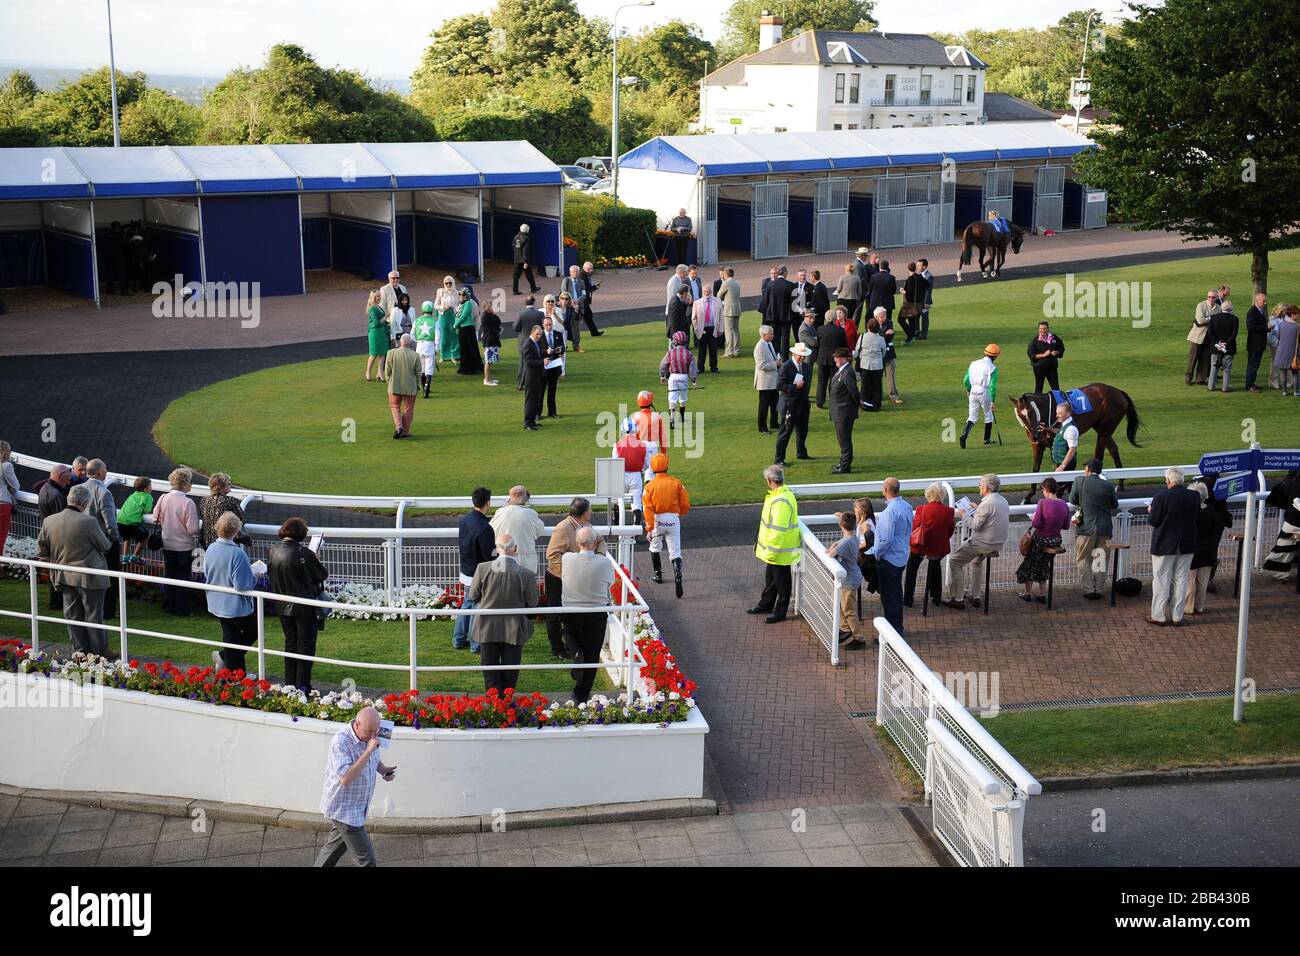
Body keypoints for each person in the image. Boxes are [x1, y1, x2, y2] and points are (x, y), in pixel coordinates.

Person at [314, 705, 396, 868]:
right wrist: (368, 751)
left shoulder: (369, 735)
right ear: (356, 724)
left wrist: (383, 770)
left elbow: (373, 759)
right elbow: (345, 778)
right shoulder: (341, 742)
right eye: (369, 732)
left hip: (357, 807)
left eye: (376, 731)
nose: (374, 736)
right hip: (344, 809)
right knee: (366, 861)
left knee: (333, 850)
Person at [37, 483, 112, 656]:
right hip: (89, 575)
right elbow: (105, 545)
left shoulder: (49, 521)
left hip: (63, 575)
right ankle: (99, 652)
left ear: (68, 499)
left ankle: (80, 651)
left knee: (72, 615)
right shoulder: (89, 521)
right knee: (93, 616)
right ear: (85, 504)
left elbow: (42, 550)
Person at [469, 532, 538, 693]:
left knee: (489, 667)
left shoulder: (482, 568)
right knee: (511, 668)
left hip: (487, 627)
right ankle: (506, 701)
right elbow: (533, 603)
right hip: (514, 628)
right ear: (515, 549)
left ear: (497, 549)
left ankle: (494, 702)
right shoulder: (526, 574)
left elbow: (473, 595)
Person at [268, 517, 328, 692]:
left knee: (291, 644)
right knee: (306, 645)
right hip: (304, 606)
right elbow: (321, 575)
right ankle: (303, 685)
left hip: (282, 605)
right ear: (300, 534)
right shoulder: (305, 553)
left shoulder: (272, 550)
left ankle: (290, 684)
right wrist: (316, 558)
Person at [545, 497, 608, 656]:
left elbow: (600, 541)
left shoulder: (585, 526)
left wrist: (598, 557)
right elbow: (552, 555)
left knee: (569, 613)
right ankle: (557, 649)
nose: (592, 513)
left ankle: (571, 646)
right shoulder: (563, 528)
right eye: (591, 510)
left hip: (572, 577)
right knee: (555, 613)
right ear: (586, 513)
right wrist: (567, 574)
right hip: (556, 578)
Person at [561, 526, 616, 703]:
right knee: (592, 656)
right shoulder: (605, 562)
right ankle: (581, 696)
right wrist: (599, 546)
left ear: (577, 543)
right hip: (596, 614)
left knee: (569, 633)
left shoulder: (567, 559)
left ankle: (576, 650)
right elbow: (611, 581)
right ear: (594, 543)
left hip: (571, 612)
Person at [943, 474, 1009, 610]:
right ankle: (975, 595)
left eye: (980, 484)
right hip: (997, 542)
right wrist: (977, 508)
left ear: (985, 487)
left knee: (955, 561)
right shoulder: (1003, 500)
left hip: (983, 543)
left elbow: (974, 525)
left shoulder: (987, 504)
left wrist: (963, 514)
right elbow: (989, 516)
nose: (979, 486)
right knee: (976, 562)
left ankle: (958, 598)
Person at [203, 512, 257, 672]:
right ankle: (228, 662)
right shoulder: (237, 553)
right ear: (236, 531)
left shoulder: (211, 548)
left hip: (216, 601)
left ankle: (233, 670)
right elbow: (242, 585)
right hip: (235, 606)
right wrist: (255, 577)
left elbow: (208, 572)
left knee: (231, 636)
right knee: (252, 632)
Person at [1148, 466, 1200, 626]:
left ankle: (1158, 616)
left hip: (1164, 544)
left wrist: (1151, 510)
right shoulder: (1194, 496)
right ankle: (1177, 616)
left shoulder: (1161, 497)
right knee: (1181, 580)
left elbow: (1154, 520)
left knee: (1161, 580)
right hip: (1186, 543)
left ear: (1169, 481)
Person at [748, 464, 800, 623]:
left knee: (782, 582)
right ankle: (766, 604)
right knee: (771, 579)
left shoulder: (780, 500)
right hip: (777, 549)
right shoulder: (781, 495)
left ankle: (780, 611)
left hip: (779, 550)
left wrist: (771, 550)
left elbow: (778, 529)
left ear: (770, 481)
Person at [1068, 458, 1119, 599]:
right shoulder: (1108, 485)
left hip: (1086, 528)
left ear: (1088, 469)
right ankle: (1098, 589)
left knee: (1083, 559)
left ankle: (1088, 589)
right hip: (1104, 528)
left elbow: (1072, 500)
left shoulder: (1079, 481)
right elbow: (1114, 504)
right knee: (1100, 559)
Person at [152, 468, 200, 616]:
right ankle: (182, 609)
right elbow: (193, 529)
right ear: (184, 484)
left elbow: (155, 518)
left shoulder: (163, 498)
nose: (192, 485)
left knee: (170, 575)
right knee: (183, 578)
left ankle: (168, 606)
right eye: (191, 482)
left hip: (167, 543)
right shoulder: (188, 502)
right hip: (184, 546)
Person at [453, 486, 495, 653]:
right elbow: (489, 554)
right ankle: (476, 645)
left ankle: (458, 640)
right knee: (478, 608)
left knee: (466, 605)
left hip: (466, 570)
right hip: (479, 573)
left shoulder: (465, 520)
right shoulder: (485, 527)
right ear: (488, 503)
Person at [1015, 477, 1071, 603]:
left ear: (1045, 489)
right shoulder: (1063, 504)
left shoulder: (1043, 502)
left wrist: (1033, 518)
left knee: (1029, 564)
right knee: (1043, 566)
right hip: (1056, 540)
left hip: (1041, 540)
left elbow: (1036, 523)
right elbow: (1066, 526)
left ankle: (1027, 592)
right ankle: (1042, 594)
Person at [643, 453, 690, 598]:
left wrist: (649, 528)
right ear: (667, 466)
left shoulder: (650, 486)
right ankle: (677, 575)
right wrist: (678, 514)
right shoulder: (676, 482)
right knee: (675, 551)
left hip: (658, 520)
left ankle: (658, 574)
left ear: (652, 467)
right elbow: (685, 503)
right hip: (673, 519)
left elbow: (648, 509)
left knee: (655, 547)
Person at [80, 459, 122, 620]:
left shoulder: (79, 488)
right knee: (110, 577)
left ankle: (90, 609)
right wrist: (114, 539)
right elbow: (110, 522)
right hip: (104, 542)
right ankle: (107, 611)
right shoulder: (104, 492)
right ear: (98, 472)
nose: (106, 471)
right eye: (105, 469)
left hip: (84, 542)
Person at [870, 477, 913, 632]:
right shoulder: (907, 506)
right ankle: (897, 627)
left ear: (886, 490)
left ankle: (893, 631)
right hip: (901, 557)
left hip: (889, 559)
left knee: (889, 597)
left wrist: (876, 553)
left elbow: (885, 540)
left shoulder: (889, 512)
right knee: (896, 595)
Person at [904, 483, 955, 608]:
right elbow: (950, 530)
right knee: (935, 566)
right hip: (937, 546)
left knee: (911, 568)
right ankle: (936, 596)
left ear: (928, 495)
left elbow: (914, 527)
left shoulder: (922, 509)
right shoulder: (949, 511)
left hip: (921, 545)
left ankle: (908, 598)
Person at [825, 511, 866, 649]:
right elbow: (841, 542)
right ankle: (845, 629)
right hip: (850, 578)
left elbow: (831, 555)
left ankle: (859, 638)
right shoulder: (852, 538)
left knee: (848, 609)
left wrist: (832, 547)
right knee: (840, 604)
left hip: (849, 581)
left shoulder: (845, 543)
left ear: (841, 525)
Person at [1186, 481, 1225, 615]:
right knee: (1203, 582)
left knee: (1190, 582)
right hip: (1208, 550)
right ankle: (1199, 606)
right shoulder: (1211, 510)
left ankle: (1188, 606)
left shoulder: (1190, 513)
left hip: (1193, 550)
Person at [489, 485, 545, 577]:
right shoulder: (531, 514)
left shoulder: (500, 512)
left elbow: (491, 530)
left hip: (502, 564)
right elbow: (539, 530)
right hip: (525, 564)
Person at [773, 342, 814, 466]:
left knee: (802, 430)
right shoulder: (786, 367)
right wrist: (795, 386)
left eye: (804, 355)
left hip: (802, 404)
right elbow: (779, 386)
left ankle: (801, 452)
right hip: (789, 405)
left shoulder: (805, 366)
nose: (802, 357)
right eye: (800, 355)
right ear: (793, 354)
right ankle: (779, 459)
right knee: (785, 433)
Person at [827, 347, 863, 475]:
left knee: (844, 440)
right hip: (839, 411)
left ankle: (845, 466)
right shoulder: (842, 371)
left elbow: (854, 392)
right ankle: (843, 463)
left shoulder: (847, 372)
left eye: (837, 357)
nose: (835, 359)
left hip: (844, 412)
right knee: (842, 439)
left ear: (843, 358)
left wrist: (853, 405)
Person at [960, 344, 1000, 448]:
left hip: (973, 390)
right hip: (984, 391)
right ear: (995, 356)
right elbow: (992, 387)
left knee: (972, 416)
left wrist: (969, 389)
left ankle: (964, 435)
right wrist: (993, 402)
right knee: (988, 416)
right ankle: (987, 439)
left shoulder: (973, 363)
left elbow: (965, 380)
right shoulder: (993, 368)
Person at [1262, 470, 1300, 581]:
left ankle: (1280, 573)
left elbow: (1283, 485)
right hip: (1292, 524)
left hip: (1291, 525)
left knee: (1282, 550)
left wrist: (1290, 474)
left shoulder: (1291, 485)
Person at [383, 334, 421, 439]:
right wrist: (418, 385)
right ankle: (405, 431)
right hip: (410, 387)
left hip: (394, 386)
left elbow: (387, 370)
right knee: (408, 408)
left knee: (395, 406)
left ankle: (399, 427)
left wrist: (388, 381)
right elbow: (418, 372)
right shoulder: (415, 355)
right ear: (410, 343)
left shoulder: (391, 353)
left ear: (400, 342)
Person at [660, 331, 697, 429]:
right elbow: (692, 369)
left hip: (673, 377)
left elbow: (662, 365)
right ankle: (682, 417)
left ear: (675, 342)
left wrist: (662, 376)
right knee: (683, 397)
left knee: (672, 398)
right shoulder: (689, 354)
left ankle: (672, 420)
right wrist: (693, 381)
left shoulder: (670, 353)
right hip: (683, 377)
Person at [199, 472, 246, 549]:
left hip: (208, 545)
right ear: (220, 487)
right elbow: (242, 519)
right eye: (228, 484)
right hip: (225, 544)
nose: (230, 485)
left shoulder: (204, 500)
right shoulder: (230, 501)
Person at [615, 418, 648, 527]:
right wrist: (640, 469)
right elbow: (646, 464)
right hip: (636, 476)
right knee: (636, 503)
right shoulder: (643, 446)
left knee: (619, 500)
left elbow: (614, 463)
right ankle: (636, 527)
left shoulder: (617, 445)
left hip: (621, 475)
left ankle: (617, 525)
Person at [116, 475, 154, 561]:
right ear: (145, 489)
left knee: (127, 537)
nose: (151, 488)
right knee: (145, 537)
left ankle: (125, 556)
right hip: (131, 523)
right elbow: (147, 510)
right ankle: (135, 557)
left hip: (119, 521)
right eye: (150, 486)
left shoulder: (132, 495)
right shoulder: (148, 496)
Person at [815, 312, 848, 409]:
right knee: (834, 381)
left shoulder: (820, 330)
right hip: (835, 359)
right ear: (835, 319)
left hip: (822, 358)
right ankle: (834, 400)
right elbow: (844, 345)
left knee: (821, 381)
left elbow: (817, 344)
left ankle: (819, 401)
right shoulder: (840, 331)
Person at [753, 325, 781, 434]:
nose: (773, 335)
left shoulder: (768, 344)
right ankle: (762, 427)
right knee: (764, 406)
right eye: (771, 334)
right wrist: (776, 363)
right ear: (764, 335)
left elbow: (772, 358)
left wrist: (777, 360)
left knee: (775, 404)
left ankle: (774, 423)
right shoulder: (759, 347)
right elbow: (762, 365)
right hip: (765, 382)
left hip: (773, 380)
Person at [1185, 289, 1217, 385]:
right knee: (1193, 358)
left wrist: (1208, 319)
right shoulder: (1201, 305)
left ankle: (1200, 378)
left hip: (1209, 336)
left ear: (1216, 298)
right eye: (1209, 297)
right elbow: (1200, 320)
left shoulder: (1218, 308)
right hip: (1197, 336)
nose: (1211, 299)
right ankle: (1188, 377)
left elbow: (1215, 321)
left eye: (1213, 297)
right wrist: (1213, 319)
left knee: (1205, 357)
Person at [1206, 299, 1238, 392]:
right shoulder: (1234, 319)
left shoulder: (1214, 318)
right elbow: (1233, 334)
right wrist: (1225, 344)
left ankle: (1211, 386)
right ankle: (1225, 387)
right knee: (1227, 368)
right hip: (1229, 347)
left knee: (1214, 367)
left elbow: (1210, 333)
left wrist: (1218, 344)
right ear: (1231, 309)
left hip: (1216, 347)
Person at [513, 295, 544, 389]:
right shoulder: (540, 314)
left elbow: (515, 328)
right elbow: (542, 327)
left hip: (523, 341)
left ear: (525, 303)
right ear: (534, 302)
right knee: (535, 361)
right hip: (537, 341)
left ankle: (520, 383)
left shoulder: (521, 314)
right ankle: (534, 381)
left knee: (522, 362)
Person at [855, 317, 885, 412]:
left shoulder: (863, 337)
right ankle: (876, 405)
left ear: (868, 327)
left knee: (865, 385)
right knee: (877, 385)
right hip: (877, 365)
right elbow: (883, 351)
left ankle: (865, 404)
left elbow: (857, 350)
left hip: (865, 364)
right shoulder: (881, 339)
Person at [412, 300, 439, 399]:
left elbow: (412, 334)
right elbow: (438, 336)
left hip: (420, 345)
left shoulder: (417, 320)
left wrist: (418, 340)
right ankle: (427, 389)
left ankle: (424, 388)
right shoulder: (435, 321)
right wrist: (437, 347)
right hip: (430, 345)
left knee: (422, 368)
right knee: (429, 367)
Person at [691, 283, 721, 373]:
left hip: (713, 329)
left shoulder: (717, 301)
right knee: (702, 350)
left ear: (711, 292)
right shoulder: (697, 303)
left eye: (708, 291)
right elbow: (694, 318)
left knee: (713, 349)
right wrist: (697, 328)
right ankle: (700, 368)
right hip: (702, 329)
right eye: (705, 291)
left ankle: (714, 368)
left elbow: (721, 316)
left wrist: (721, 329)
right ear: (702, 292)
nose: (707, 293)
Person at [632, 391, 668, 466]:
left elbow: (632, 437)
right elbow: (663, 437)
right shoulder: (657, 416)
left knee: (640, 473)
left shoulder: (634, 416)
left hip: (639, 448)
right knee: (652, 473)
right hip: (653, 448)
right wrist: (664, 452)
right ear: (650, 402)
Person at [1028, 321, 1065, 393]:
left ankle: (1059, 403)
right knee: (1039, 388)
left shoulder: (1054, 338)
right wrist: (1044, 355)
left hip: (1052, 367)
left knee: (1056, 388)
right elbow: (1031, 355)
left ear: (1048, 329)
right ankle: (1037, 404)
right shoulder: (1034, 341)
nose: (1042, 330)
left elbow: (1061, 348)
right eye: (1041, 329)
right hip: (1039, 368)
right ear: (1038, 329)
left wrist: (1057, 352)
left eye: (1044, 329)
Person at [520, 325, 545, 430]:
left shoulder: (534, 342)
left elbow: (538, 354)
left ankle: (532, 421)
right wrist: (542, 362)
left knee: (535, 400)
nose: (539, 336)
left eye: (540, 334)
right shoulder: (527, 344)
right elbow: (529, 362)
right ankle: (528, 423)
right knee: (530, 401)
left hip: (536, 376)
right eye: (537, 334)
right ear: (532, 333)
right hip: (531, 378)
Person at [540, 316, 566, 418]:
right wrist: (546, 352)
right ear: (543, 325)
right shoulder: (540, 336)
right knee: (541, 392)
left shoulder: (557, 334)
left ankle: (552, 412)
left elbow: (563, 348)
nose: (549, 327)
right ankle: (538, 413)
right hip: (543, 368)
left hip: (554, 367)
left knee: (552, 392)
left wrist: (559, 350)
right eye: (546, 325)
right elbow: (537, 351)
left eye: (550, 324)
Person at [767, 266, 795, 359]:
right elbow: (793, 302)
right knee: (785, 337)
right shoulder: (790, 285)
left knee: (773, 336)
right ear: (785, 273)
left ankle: (774, 355)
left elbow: (767, 300)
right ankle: (784, 356)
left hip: (773, 315)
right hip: (786, 316)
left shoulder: (770, 284)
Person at [1244, 292, 1269, 392]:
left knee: (1255, 365)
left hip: (1258, 343)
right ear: (1257, 301)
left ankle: (1251, 383)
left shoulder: (1259, 311)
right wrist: (1266, 327)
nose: (1265, 303)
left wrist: (1267, 328)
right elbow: (1250, 327)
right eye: (1263, 301)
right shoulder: (1252, 312)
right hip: (1255, 344)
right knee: (1253, 365)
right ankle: (1249, 385)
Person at [1274, 305, 1300, 396]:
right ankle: (1296, 391)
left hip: (1282, 351)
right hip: (1294, 352)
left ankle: (1284, 391)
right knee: (1295, 373)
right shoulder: (1297, 326)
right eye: (1297, 315)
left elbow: (1278, 337)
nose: (1298, 317)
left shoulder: (1281, 324)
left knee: (1283, 372)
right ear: (1292, 314)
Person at [719, 266, 743, 357]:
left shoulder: (726, 283)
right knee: (736, 331)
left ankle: (729, 351)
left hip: (729, 310)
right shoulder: (737, 282)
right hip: (737, 309)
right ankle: (736, 350)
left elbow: (718, 295)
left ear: (725, 274)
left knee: (729, 331)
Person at [364, 289, 387, 383]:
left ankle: (380, 372)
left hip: (382, 332)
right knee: (373, 354)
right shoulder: (372, 309)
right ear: (373, 298)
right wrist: (384, 319)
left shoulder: (378, 306)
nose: (379, 298)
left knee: (382, 353)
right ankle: (368, 372)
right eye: (377, 296)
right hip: (375, 333)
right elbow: (376, 322)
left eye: (380, 296)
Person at [435, 277, 460, 363]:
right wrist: (443, 307)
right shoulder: (440, 292)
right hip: (443, 316)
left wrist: (454, 308)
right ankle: (443, 355)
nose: (448, 285)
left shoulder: (457, 293)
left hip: (453, 315)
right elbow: (436, 305)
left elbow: (459, 305)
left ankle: (453, 355)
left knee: (453, 335)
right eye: (446, 283)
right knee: (444, 336)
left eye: (450, 283)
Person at [1050, 402, 1080, 472]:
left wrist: (1062, 466)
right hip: (1061, 464)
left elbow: (1072, 450)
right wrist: (1048, 429)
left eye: (1060, 413)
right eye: (1057, 413)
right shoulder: (1065, 423)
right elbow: (1061, 432)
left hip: (1066, 466)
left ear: (1067, 414)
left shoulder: (1071, 429)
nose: (1057, 416)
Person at [900, 261, 925, 343]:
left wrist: (903, 291)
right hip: (918, 303)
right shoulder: (920, 277)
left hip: (909, 304)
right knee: (911, 320)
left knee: (901, 319)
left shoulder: (909, 279)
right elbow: (927, 285)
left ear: (908, 269)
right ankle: (910, 337)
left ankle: (910, 334)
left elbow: (908, 293)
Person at [512, 223, 540, 295]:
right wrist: (526, 261)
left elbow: (513, 247)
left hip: (517, 259)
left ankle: (515, 290)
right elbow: (526, 250)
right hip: (524, 260)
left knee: (516, 276)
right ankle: (533, 288)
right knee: (529, 274)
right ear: (527, 230)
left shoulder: (515, 237)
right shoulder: (526, 238)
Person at [478, 301, 501, 387]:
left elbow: (498, 321)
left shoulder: (489, 315)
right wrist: (493, 314)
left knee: (490, 361)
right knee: (488, 361)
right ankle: (486, 379)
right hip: (489, 340)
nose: (491, 308)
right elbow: (496, 321)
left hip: (492, 340)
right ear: (486, 307)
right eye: (489, 306)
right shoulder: (485, 316)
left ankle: (488, 378)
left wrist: (494, 314)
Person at [867, 259, 896, 325]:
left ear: (880, 267)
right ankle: (887, 331)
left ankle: (876, 331)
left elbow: (870, 289)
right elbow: (893, 290)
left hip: (875, 302)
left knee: (875, 319)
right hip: (887, 302)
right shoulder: (892, 278)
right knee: (887, 319)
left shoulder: (873, 277)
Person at [0, 441, 17, 559]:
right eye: (9, 450)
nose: (10, 452)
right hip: (2, 504)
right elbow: (16, 486)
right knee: (1, 536)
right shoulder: (6, 466)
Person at [835, 263, 861, 336]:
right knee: (849, 317)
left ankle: (840, 331)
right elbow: (859, 291)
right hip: (852, 300)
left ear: (846, 270)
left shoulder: (842, 277)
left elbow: (839, 289)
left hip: (842, 299)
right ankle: (848, 332)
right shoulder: (857, 278)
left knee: (839, 316)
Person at [580, 261, 603, 337]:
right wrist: (595, 287)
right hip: (582, 301)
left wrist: (594, 287)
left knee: (588, 315)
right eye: (589, 269)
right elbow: (586, 288)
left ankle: (594, 332)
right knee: (577, 318)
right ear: (584, 268)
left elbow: (588, 287)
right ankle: (594, 332)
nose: (591, 271)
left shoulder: (585, 276)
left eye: (591, 269)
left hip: (585, 300)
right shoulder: (582, 276)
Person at [917, 258, 934, 340]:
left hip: (925, 302)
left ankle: (923, 335)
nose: (918, 267)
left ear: (924, 267)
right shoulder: (920, 275)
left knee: (924, 317)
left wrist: (926, 303)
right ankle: (917, 333)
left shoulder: (929, 277)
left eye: (919, 265)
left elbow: (928, 291)